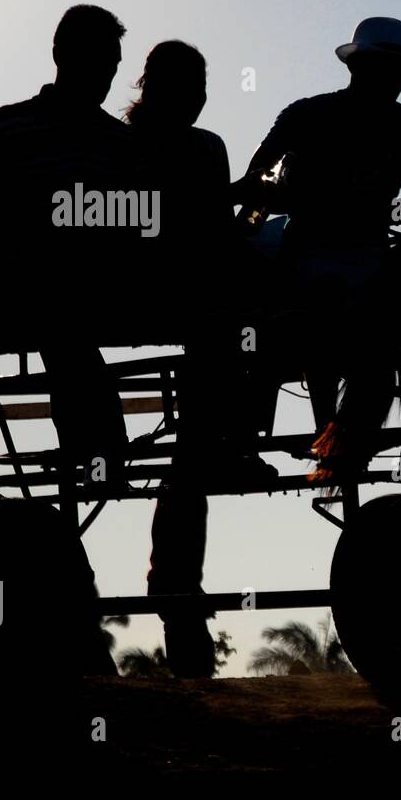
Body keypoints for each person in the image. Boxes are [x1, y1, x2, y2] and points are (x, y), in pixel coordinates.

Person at [0, 4, 142, 477]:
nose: (105, 76)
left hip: (90, 286)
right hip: (15, 285)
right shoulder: (7, 127)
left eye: (112, 66)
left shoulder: (118, 144)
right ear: (61, 55)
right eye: (97, 61)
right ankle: (100, 446)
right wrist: (15, 224)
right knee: (59, 310)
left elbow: (145, 220)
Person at [124, 39, 272, 677]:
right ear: (166, 89)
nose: (203, 96)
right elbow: (210, 232)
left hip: (154, 292)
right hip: (183, 295)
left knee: (192, 451)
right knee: (270, 304)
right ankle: (237, 437)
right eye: (197, 84)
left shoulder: (122, 142)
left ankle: (178, 590)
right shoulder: (200, 147)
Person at [237, 17, 401, 437]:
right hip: (341, 258)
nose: (394, 80)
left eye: (397, 71)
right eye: (388, 69)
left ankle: (254, 432)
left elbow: (256, 179)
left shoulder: (307, 113)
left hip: (332, 255)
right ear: (357, 67)